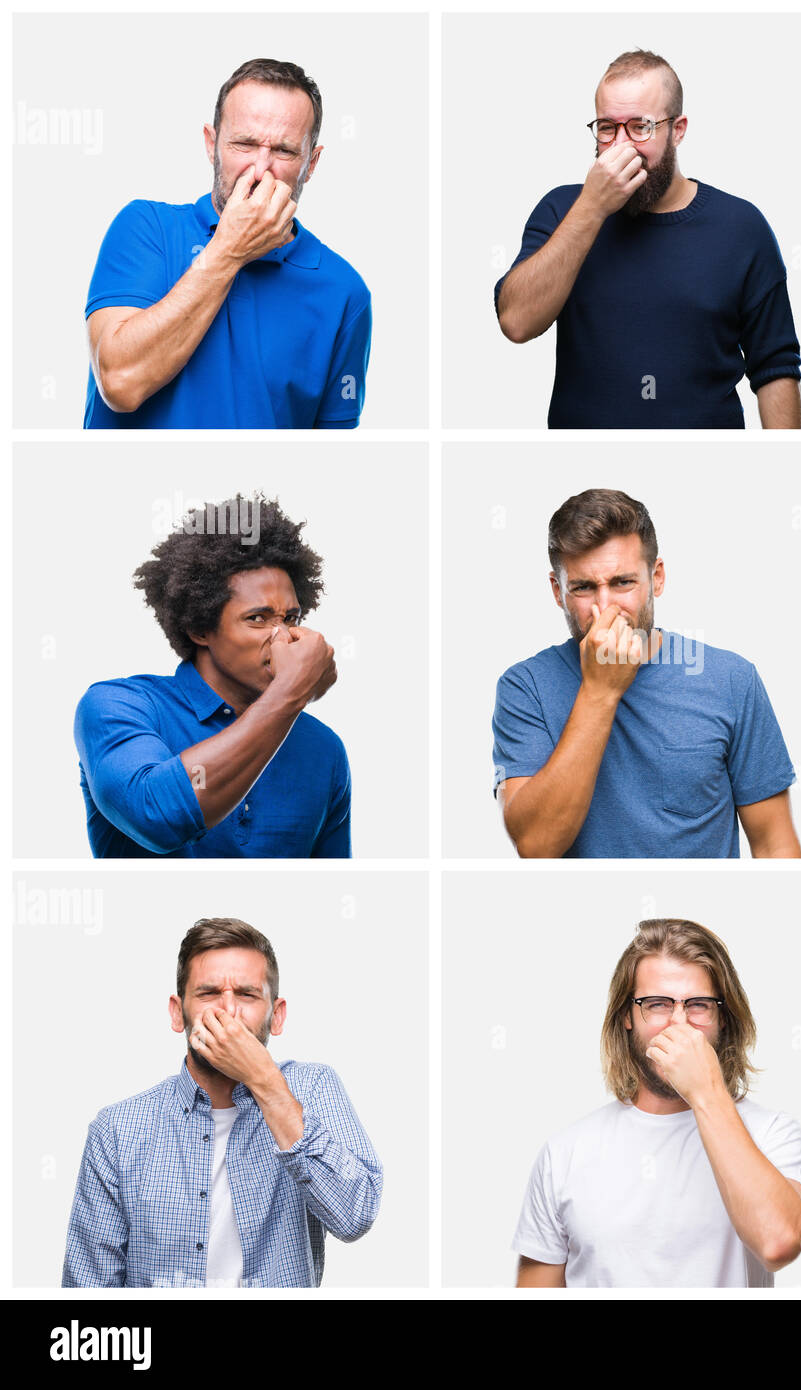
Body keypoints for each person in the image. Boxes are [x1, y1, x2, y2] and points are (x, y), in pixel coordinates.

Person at [63, 918, 382, 1287]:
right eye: (209, 993)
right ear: (176, 1011)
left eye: (246, 994)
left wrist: (264, 1081)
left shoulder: (312, 1089)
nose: (228, 1011)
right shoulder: (117, 1130)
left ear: (275, 1016)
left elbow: (355, 1215)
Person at [495, 48, 801, 429]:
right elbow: (516, 323)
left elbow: (775, 367)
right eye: (607, 127)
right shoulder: (562, 210)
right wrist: (592, 207)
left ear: (678, 129)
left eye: (640, 126)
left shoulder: (741, 226)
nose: (622, 146)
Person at [492, 488, 801, 858]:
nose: (604, 608)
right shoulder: (525, 688)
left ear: (657, 578)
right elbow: (536, 846)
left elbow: (774, 843)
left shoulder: (732, 679)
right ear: (558, 591)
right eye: (584, 588)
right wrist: (599, 692)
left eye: (623, 582)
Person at [513, 918, 801, 1287]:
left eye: (699, 1005)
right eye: (657, 1004)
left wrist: (705, 1090)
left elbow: (779, 1242)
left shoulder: (771, 1133)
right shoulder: (564, 1154)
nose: (679, 1023)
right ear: (626, 1016)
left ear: (723, 1018)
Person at [84, 58, 370, 429]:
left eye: (283, 150)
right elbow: (119, 383)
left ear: (311, 163)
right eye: (244, 143)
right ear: (211, 143)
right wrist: (230, 249)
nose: (260, 168)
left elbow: (326, 463)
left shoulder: (345, 291)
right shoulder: (145, 228)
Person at [74, 493, 350, 857]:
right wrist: (291, 692)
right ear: (199, 628)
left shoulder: (324, 748)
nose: (283, 636)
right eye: (258, 618)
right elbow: (156, 815)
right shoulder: (118, 706)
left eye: (291, 619)